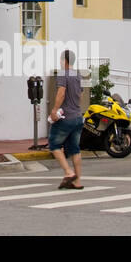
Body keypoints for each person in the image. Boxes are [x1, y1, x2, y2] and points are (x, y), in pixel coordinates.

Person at [48, 49, 84, 190]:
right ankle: (77, 181)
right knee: (75, 149)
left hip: (65, 117)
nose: (60, 62)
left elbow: (61, 93)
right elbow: (80, 96)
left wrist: (54, 110)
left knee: (54, 144)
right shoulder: (78, 75)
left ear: (65, 61)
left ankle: (69, 173)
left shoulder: (63, 74)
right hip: (77, 116)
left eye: (61, 59)